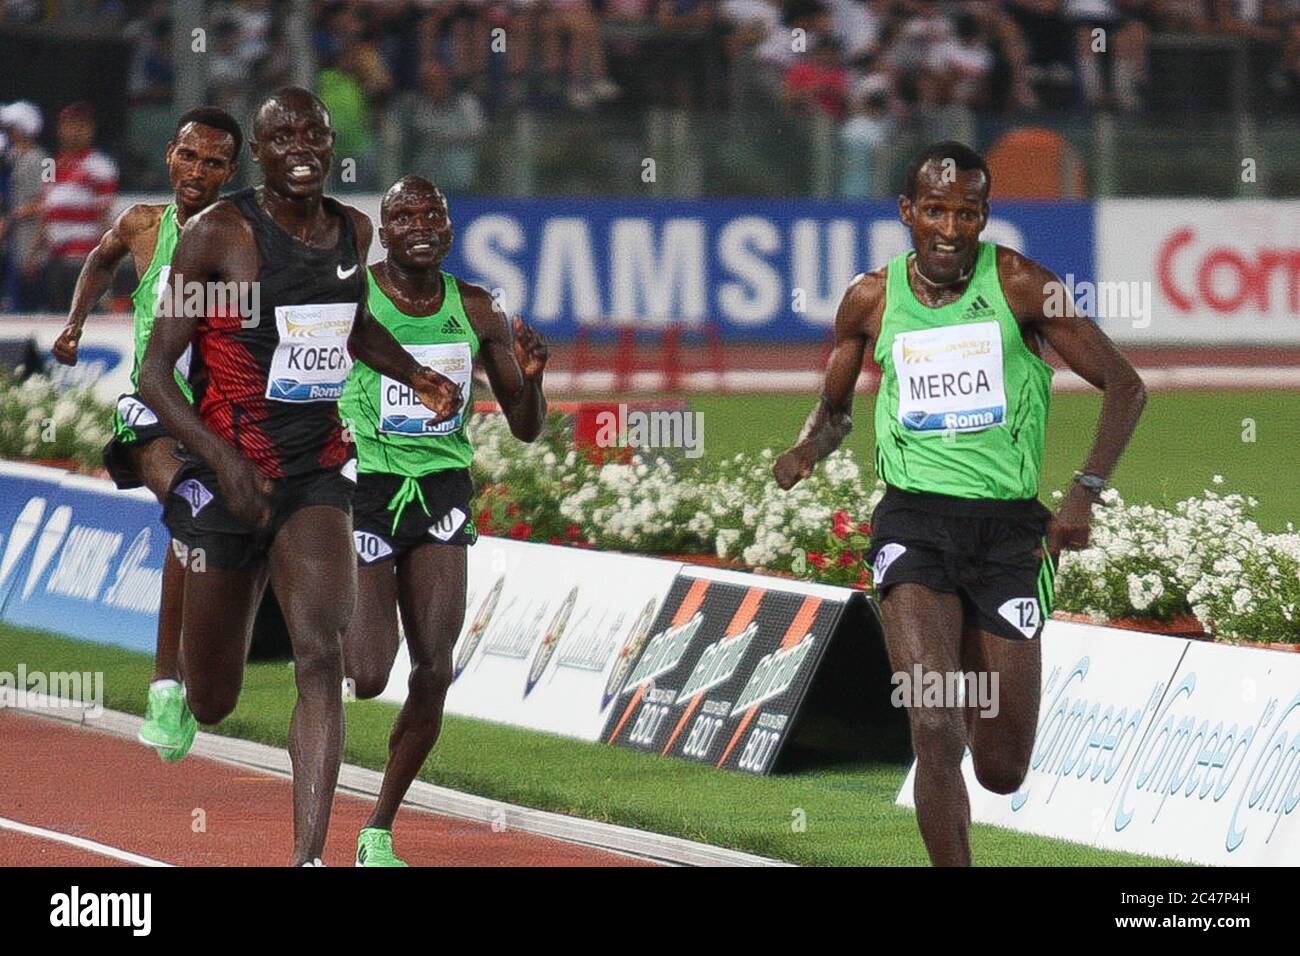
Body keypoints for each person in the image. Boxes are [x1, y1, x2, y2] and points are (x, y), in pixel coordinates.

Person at [773, 141, 1146, 866]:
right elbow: (837, 410)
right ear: (907, 212)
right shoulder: (870, 299)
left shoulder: (1022, 286)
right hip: (912, 524)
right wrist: (806, 451)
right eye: (935, 211)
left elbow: (1127, 386)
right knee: (935, 724)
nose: (950, 228)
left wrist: (1084, 494)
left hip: (1011, 537)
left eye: (967, 213)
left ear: (984, 215)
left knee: (1002, 769)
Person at [139, 87, 461, 867]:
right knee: (215, 699)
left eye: (313, 132)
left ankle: (308, 859)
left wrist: (415, 372)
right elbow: (156, 374)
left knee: (321, 655)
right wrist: (219, 462)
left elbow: (351, 326)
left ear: (330, 140)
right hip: (227, 475)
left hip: (315, 475)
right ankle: (179, 685)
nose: (302, 144)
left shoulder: (351, 230)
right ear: (260, 149)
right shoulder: (218, 236)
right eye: (283, 135)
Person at [339, 175, 547, 867]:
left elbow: (523, 428)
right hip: (366, 486)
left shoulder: (479, 308)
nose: (421, 225)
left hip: (441, 492)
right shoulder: (354, 294)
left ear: (450, 228)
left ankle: (378, 827)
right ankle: (315, 641)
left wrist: (533, 377)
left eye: (434, 214)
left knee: (434, 669)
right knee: (369, 673)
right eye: (404, 216)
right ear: (385, 227)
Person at [51, 107, 243, 761]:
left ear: (231, 172)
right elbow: (99, 262)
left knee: (208, 529)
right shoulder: (141, 227)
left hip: (219, 419)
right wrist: (76, 322)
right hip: (151, 412)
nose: (198, 171)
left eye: (214, 162)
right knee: (193, 504)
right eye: (189, 156)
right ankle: (166, 686)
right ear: (170, 155)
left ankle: (197, 672)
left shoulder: (246, 242)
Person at [30, 103, 119, 312]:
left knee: (84, 313)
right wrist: (34, 253)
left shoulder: (100, 165)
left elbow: (103, 215)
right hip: (55, 257)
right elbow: (46, 209)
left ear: (91, 130)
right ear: (61, 129)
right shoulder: (50, 164)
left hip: (84, 256)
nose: (76, 131)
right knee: (55, 313)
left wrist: (107, 260)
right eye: (71, 125)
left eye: (82, 125)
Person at [0, 101, 50, 311]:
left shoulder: (45, 160)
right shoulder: (10, 158)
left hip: (31, 238)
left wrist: (16, 215)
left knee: (32, 293)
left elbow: (48, 198)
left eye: (11, 128)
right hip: (13, 239)